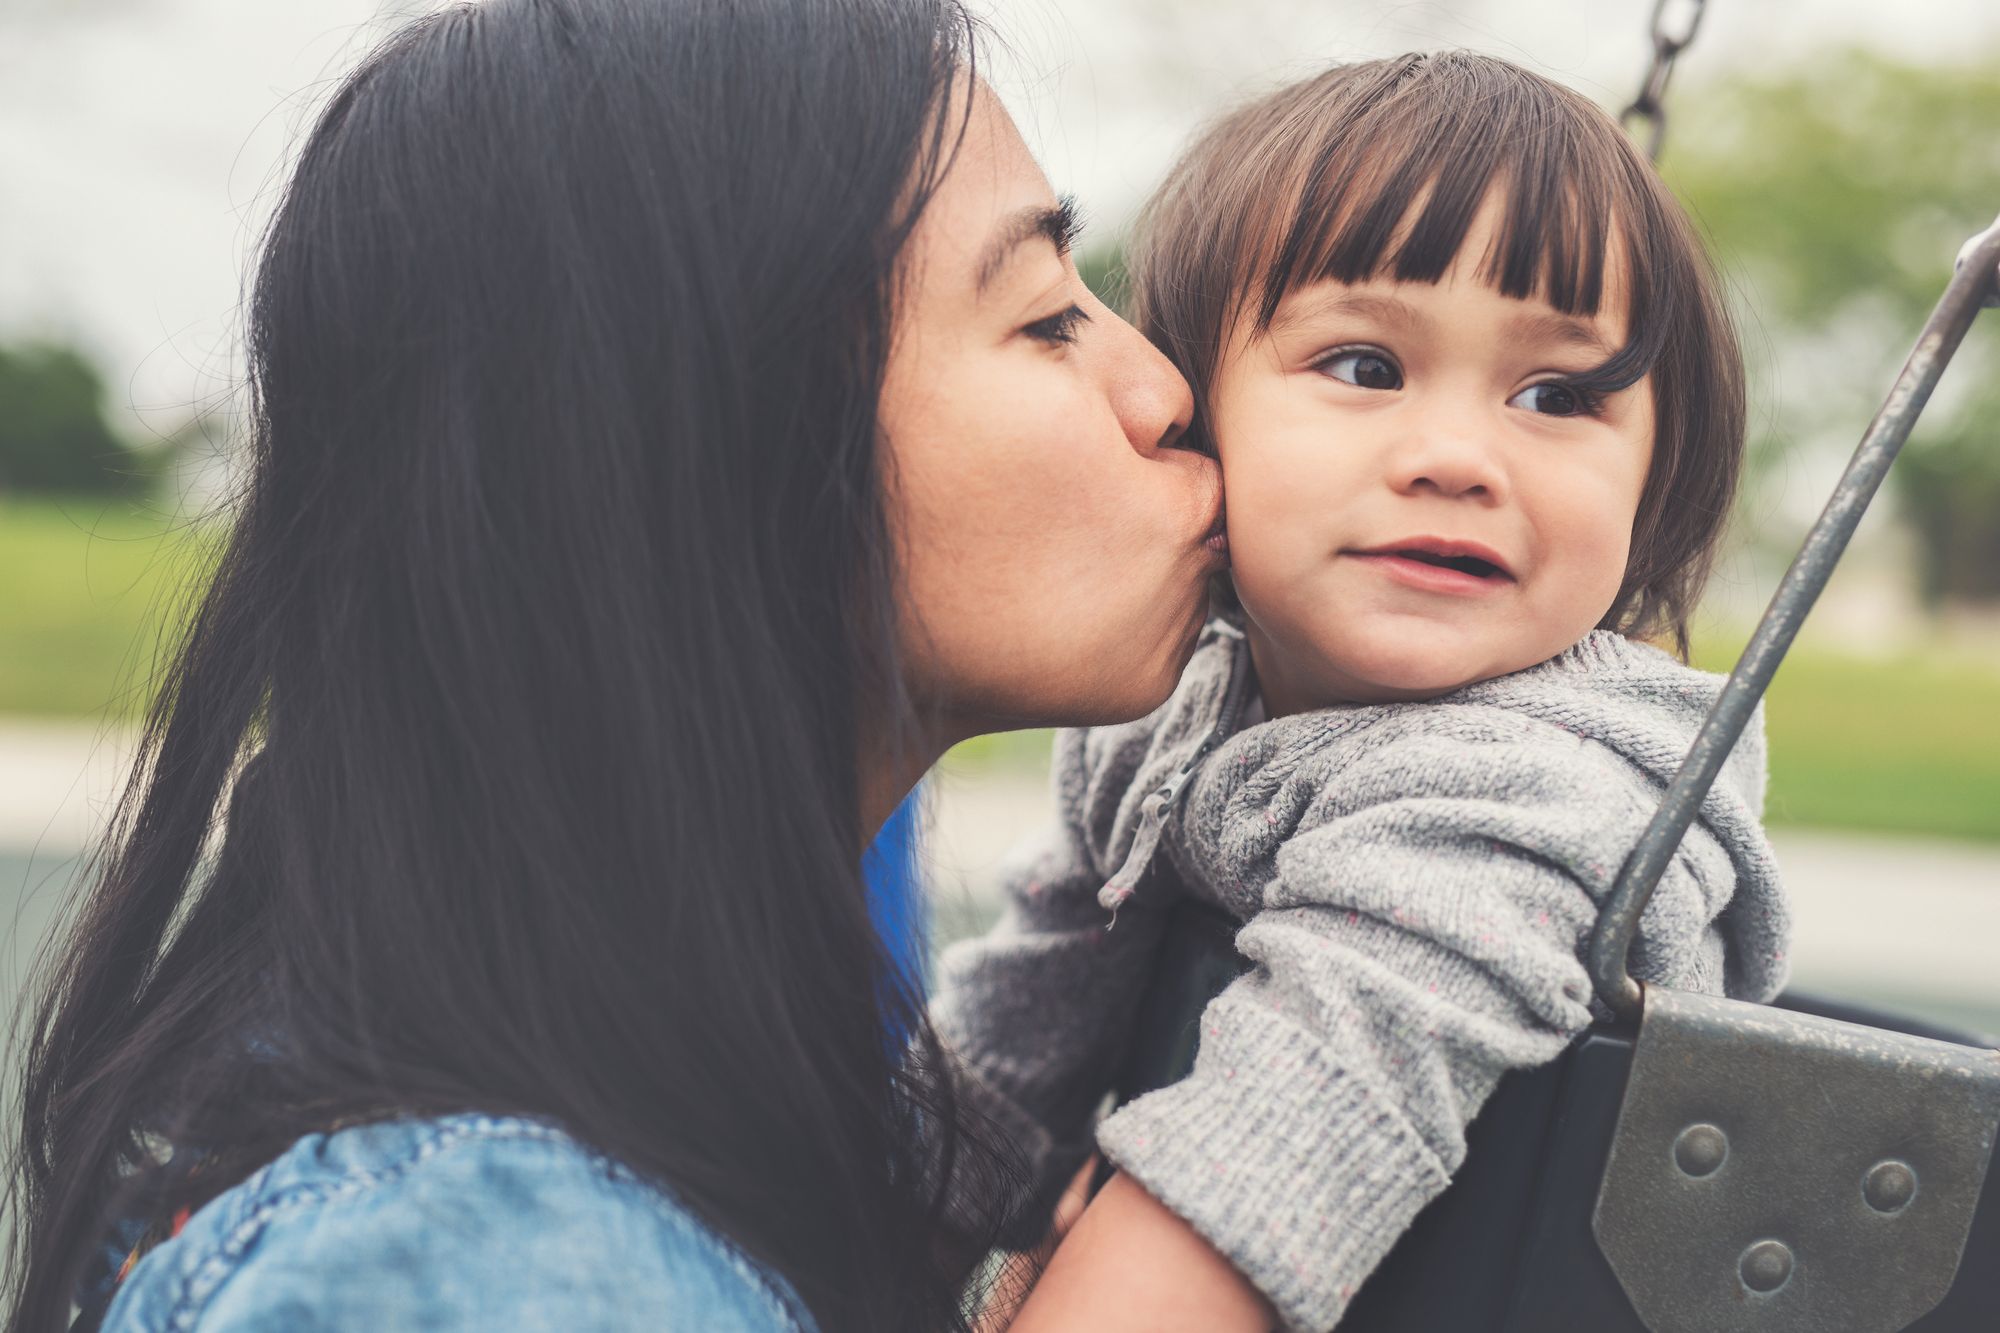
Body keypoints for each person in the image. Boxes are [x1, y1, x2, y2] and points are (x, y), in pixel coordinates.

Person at [4, 2, 1233, 1330]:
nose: (1165, 390)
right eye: (1049, 316)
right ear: (710, 459)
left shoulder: (547, 1166)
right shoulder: (499, 1271)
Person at [939, 52, 1792, 1332]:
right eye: (1363, 368)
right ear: (1190, 407)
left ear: (1656, 478)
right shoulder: (1178, 700)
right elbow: (1016, 1041)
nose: (1456, 458)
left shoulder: (1541, 791)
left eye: (1554, 395)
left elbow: (1279, 1146)